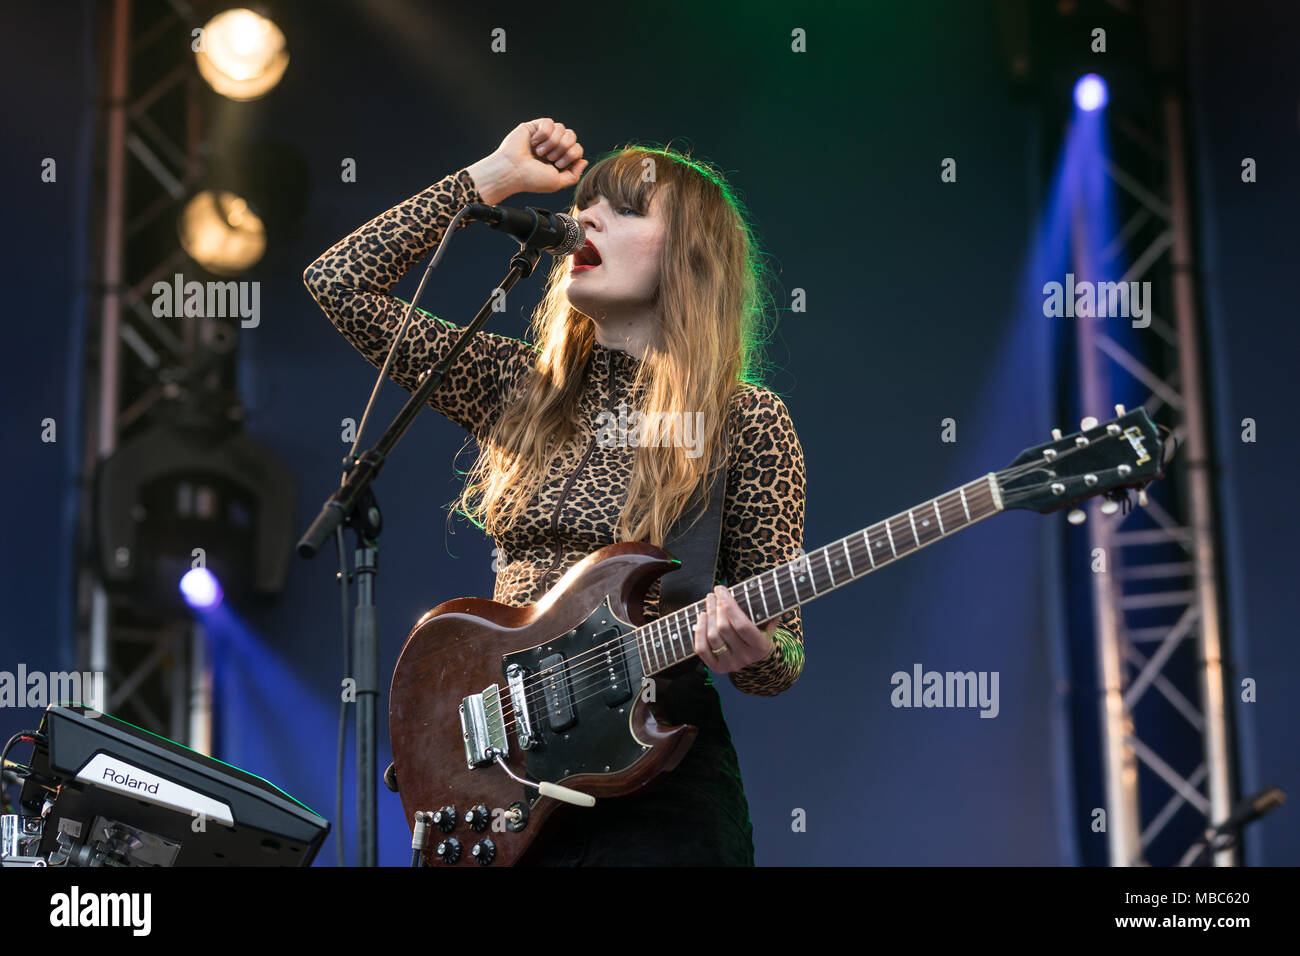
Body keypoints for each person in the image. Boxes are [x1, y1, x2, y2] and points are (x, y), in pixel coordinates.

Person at [303, 118, 807, 866]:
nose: (587, 217)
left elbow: (781, 659)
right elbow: (338, 282)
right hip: (498, 777)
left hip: (654, 779)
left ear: (691, 259)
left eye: (626, 208)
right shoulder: (522, 389)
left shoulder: (745, 421)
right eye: (588, 202)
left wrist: (751, 648)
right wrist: (492, 178)